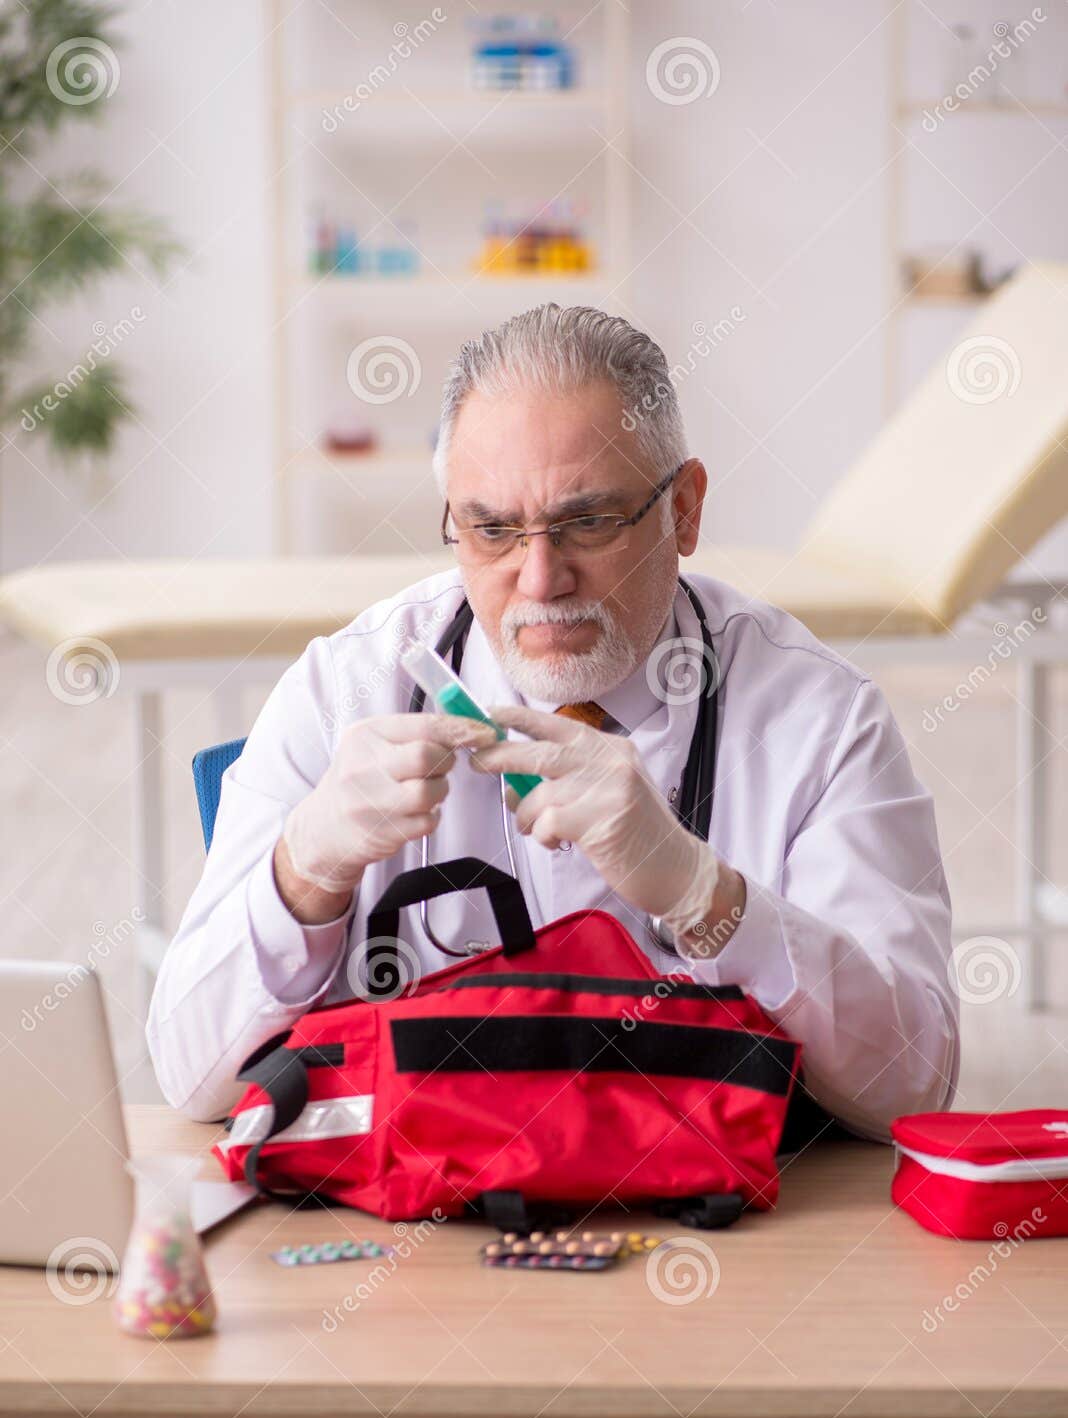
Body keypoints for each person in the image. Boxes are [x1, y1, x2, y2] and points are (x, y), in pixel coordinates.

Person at [147, 304, 959, 1140]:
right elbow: (188, 1072)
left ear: (684, 509)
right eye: (492, 529)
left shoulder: (817, 716)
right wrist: (306, 869)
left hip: (725, 1231)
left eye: (587, 522)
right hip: (423, 1222)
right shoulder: (348, 688)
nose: (539, 580)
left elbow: (912, 1085)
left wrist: (703, 894)